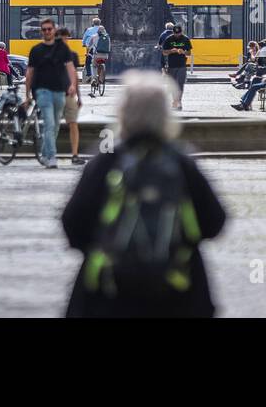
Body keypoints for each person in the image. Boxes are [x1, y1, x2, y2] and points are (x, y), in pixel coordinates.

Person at [61, 70, 226, 317]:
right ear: (164, 115)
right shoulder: (181, 162)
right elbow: (215, 222)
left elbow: (73, 222)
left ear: (123, 112)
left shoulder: (106, 161)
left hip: (109, 294)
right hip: (177, 291)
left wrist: (104, 244)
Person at [26, 17, 77, 168]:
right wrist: (27, 94)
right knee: (49, 123)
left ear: (54, 30)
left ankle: (44, 153)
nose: (47, 32)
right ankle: (52, 157)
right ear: (41, 32)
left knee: (55, 126)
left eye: (49, 29)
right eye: (44, 29)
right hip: (42, 91)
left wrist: (72, 85)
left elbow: (70, 68)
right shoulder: (36, 50)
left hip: (59, 91)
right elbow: (29, 73)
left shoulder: (62, 49)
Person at [57, 27, 86, 166]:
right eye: (61, 37)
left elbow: (74, 76)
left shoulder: (72, 55)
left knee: (73, 123)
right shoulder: (50, 54)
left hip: (69, 94)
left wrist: (79, 97)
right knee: (52, 125)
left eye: (65, 37)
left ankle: (75, 154)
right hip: (54, 94)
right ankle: (50, 153)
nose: (64, 40)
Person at [160, 22, 193, 110]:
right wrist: (171, 51)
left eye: (178, 34)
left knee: (180, 84)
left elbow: (189, 53)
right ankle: (175, 101)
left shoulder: (185, 39)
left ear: (181, 32)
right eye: (175, 33)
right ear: (173, 32)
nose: (177, 35)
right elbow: (164, 52)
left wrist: (184, 52)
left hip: (182, 65)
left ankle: (179, 102)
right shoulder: (169, 39)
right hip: (171, 65)